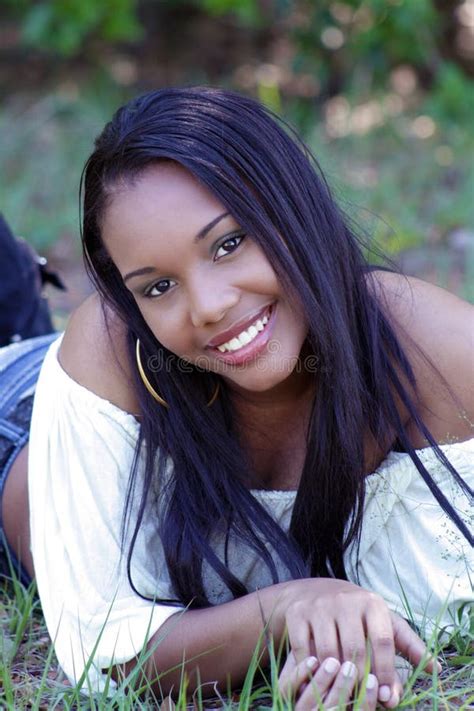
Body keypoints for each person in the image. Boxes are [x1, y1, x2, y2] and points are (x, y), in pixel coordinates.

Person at [0, 87, 472, 710]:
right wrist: (287, 609)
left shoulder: (433, 352)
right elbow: (106, 652)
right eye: (159, 286)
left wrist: (343, 645)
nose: (210, 305)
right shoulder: (109, 349)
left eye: (229, 243)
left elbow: (422, 618)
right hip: (26, 414)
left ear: (293, 206)